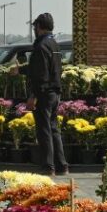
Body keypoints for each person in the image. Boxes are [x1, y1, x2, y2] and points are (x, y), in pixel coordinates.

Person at [19, 13, 68, 176]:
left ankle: (48, 166)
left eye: (34, 27)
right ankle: (62, 165)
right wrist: (20, 69)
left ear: (39, 27)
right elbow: (44, 69)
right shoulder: (54, 44)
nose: (34, 29)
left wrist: (34, 95)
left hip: (44, 93)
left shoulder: (41, 47)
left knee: (44, 130)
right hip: (55, 92)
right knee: (54, 129)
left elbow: (40, 74)